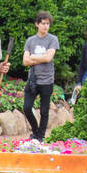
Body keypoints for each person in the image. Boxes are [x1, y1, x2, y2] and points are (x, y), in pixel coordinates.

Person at [21, 12, 59, 142]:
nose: (46, 26)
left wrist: (32, 56)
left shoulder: (53, 39)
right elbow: (25, 61)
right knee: (26, 107)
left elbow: (49, 58)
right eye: (43, 23)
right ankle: (35, 131)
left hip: (47, 79)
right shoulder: (30, 41)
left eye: (48, 24)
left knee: (44, 111)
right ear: (37, 24)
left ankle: (40, 136)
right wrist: (41, 58)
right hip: (33, 79)